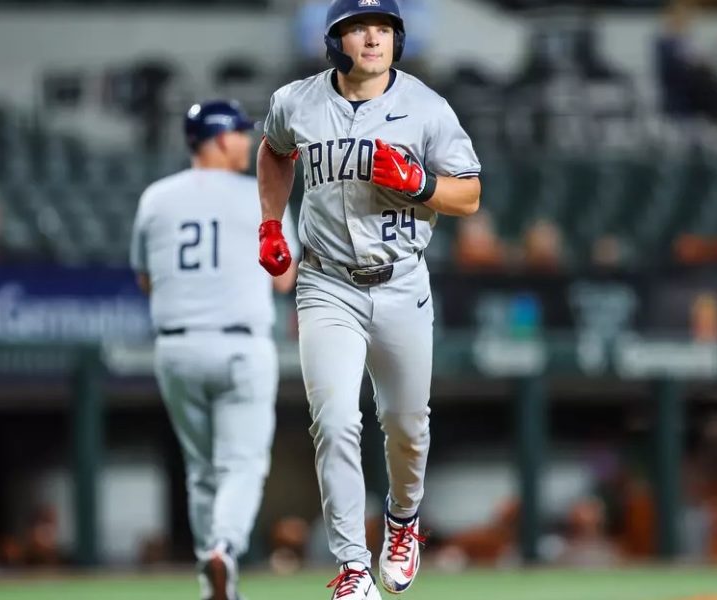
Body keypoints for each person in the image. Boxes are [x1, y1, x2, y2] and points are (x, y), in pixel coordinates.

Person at [256, 1, 481, 597]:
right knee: (333, 422)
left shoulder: (427, 107)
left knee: (406, 425)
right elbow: (274, 150)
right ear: (336, 41)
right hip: (326, 283)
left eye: (384, 29)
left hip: (401, 280)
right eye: (360, 29)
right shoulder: (295, 102)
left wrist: (423, 184)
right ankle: (353, 566)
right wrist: (271, 222)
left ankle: (403, 522)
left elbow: (470, 195)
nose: (374, 39)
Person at [130, 99, 298, 600]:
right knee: (243, 464)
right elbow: (284, 278)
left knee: (202, 471)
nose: (248, 141)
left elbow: (145, 279)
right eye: (242, 133)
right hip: (242, 346)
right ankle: (223, 547)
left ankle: (213, 582)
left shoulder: (156, 198)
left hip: (178, 347)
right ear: (222, 138)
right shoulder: (260, 194)